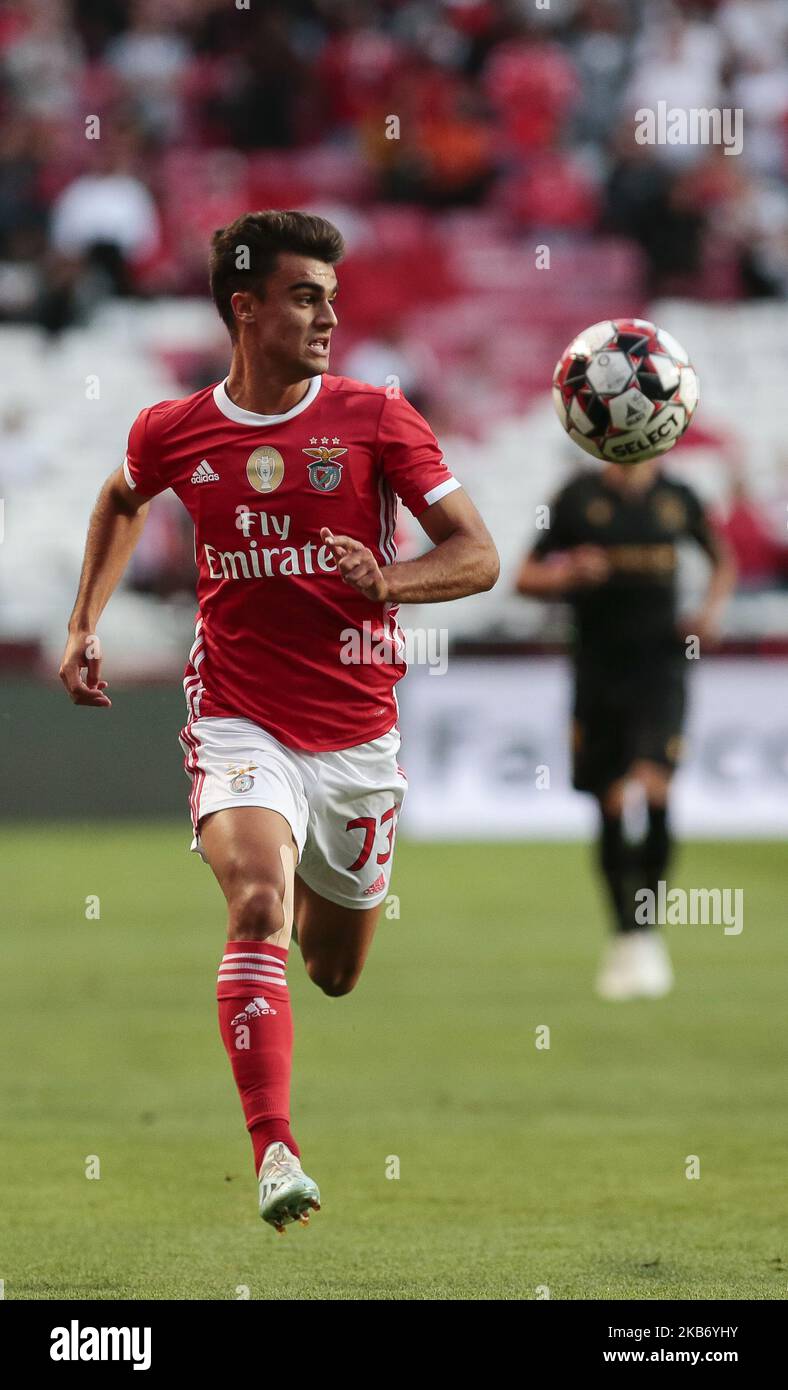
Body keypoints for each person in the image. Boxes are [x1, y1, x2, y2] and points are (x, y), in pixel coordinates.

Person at [59, 210, 499, 1232]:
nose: (325, 317)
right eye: (305, 297)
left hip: (355, 734)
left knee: (334, 971)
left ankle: (304, 873)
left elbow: (476, 554)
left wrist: (386, 580)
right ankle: (275, 1153)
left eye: (331, 300)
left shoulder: (378, 419)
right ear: (243, 307)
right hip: (238, 717)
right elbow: (124, 497)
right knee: (255, 898)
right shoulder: (173, 431)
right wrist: (84, 622)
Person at [516, 456, 735, 1000]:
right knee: (612, 800)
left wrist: (710, 611)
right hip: (598, 672)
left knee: (656, 785)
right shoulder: (575, 496)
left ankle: (647, 934)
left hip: (661, 668)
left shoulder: (680, 495)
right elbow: (522, 575)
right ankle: (624, 935)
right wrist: (566, 575)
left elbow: (721, 560)